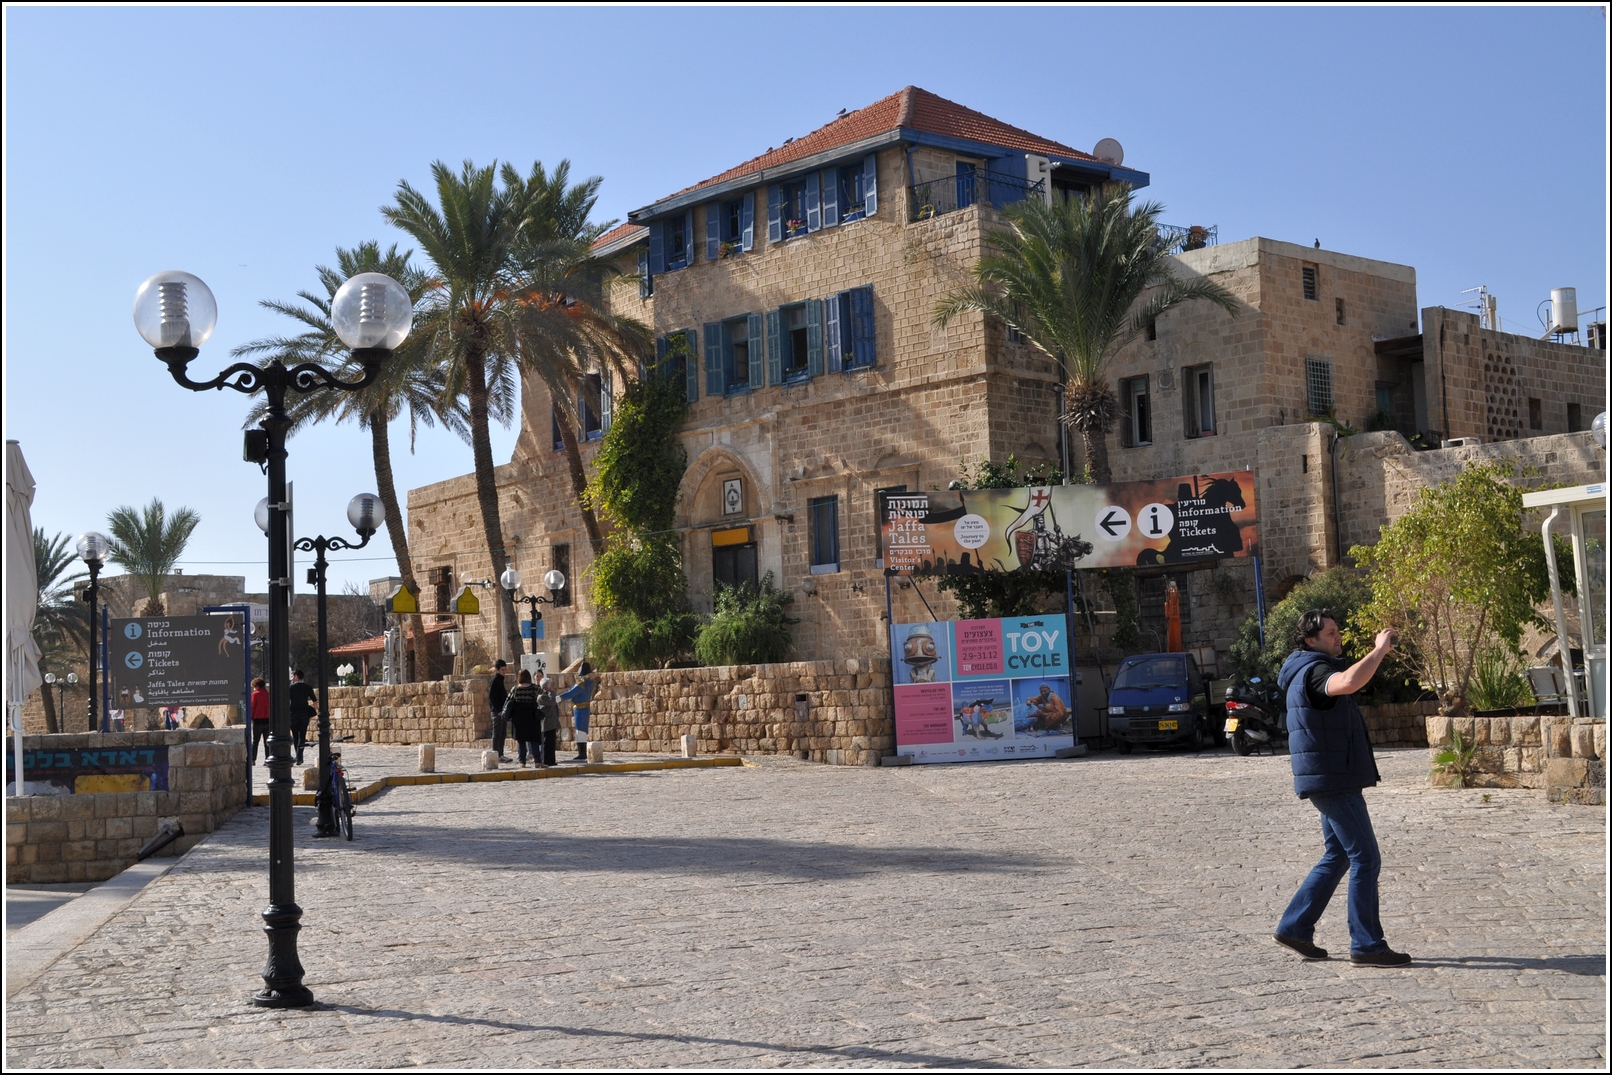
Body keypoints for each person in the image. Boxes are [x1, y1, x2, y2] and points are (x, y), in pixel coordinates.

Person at [1273, 609, 1410, 967]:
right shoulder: (1316, 671)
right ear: (1310, 640)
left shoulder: (1305, 667)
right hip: (1332, 779)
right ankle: (1366, 945)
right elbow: (1348, 682)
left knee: (1338, 855)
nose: (1338, 637)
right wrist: (1379, 650)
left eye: (1337, 631)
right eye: (1330, 632)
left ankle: (1294, 926)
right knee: (1366, 857)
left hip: (1329, 776)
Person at [501, 670, 543, 767]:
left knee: (521, 741)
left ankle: (522, 762)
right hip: (532, 717)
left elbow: (508, 701)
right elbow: (542, 699)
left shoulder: (515, 689)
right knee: (534, 740)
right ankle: (537, 761)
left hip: (518, 718)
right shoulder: (535, 689)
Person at [560, 662, 597, 762]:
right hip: (585, 708)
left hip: (580, 709)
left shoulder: (582, 684)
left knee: (580, 731)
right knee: (582, 731)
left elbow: (571, 693)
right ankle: (582, 752)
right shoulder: (590, 683)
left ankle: (582, 753)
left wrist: (559, 698)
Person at [288, 670, 316, 765]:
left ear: (296, 676)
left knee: (295, 736)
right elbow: (314, 701)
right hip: (304, 714)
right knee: (302, 736)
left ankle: (298, 756)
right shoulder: (307, 687)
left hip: (293, 714)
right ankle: (299, 756)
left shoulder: (291, 688)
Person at [488, 659, 511, 761]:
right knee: (497, 733)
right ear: (497, 670)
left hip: (503, 711)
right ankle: (496, 754)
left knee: (502, 733)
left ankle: (501, 754)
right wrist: (498, 710)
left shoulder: (501, 680)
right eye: (502, 670)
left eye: (505, 669)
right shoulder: (495, 680)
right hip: (497, 712)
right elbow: (492, 696)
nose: (504, 672)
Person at [537, 677, 561, 767]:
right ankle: (546, 760)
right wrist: (551, 691)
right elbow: (551, 702)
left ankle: (552, 760)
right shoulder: (542, 697)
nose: (553, 687)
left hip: (552, 723)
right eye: (551, 685)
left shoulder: (550, 695)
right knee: (547, 743)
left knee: (552, 742)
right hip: (546, 723)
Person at [248, 678, 271, 765]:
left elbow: (253, 707)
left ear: (256, 686)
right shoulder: (268, 694)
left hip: (258, 721)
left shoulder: (255, 694)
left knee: (255, 741)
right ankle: (268, 759)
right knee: (267, 742)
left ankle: (253, 759)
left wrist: (251, 717)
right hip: (267, 720)